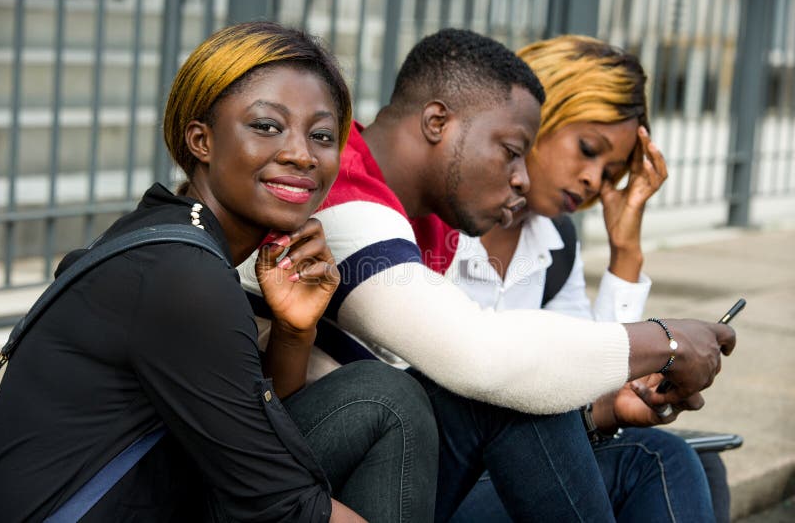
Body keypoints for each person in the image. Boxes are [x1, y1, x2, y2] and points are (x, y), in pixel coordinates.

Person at [239, 28, 735, 521]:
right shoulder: (341, 192)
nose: (521, 175)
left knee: (668, 457)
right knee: (513, 397)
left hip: (374, 452)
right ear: (438, 121)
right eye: (513, 149)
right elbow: (483, 359)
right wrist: (666, 341)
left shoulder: (439, 225)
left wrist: (614, 387)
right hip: (275, 473)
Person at [0, 21, 438, 522]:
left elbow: (260, 431)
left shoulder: (169, 234)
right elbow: (281, 507)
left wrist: (294, 332)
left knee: (378, 396)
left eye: (322, 135)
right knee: (392, 402)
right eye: (267, 126)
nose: (301, 154)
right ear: (201, 140)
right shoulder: (184, 276)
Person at [447, 34, 729, 523]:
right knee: (658, 460)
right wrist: (663, 342)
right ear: (540, 113)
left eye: (611, 171)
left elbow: (589, 381)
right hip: (437, 478)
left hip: (510, 464)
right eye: (588, 149)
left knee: (704, 463)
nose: (595, 180)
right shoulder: (440, 221)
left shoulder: (553, 242)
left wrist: (626, 250)